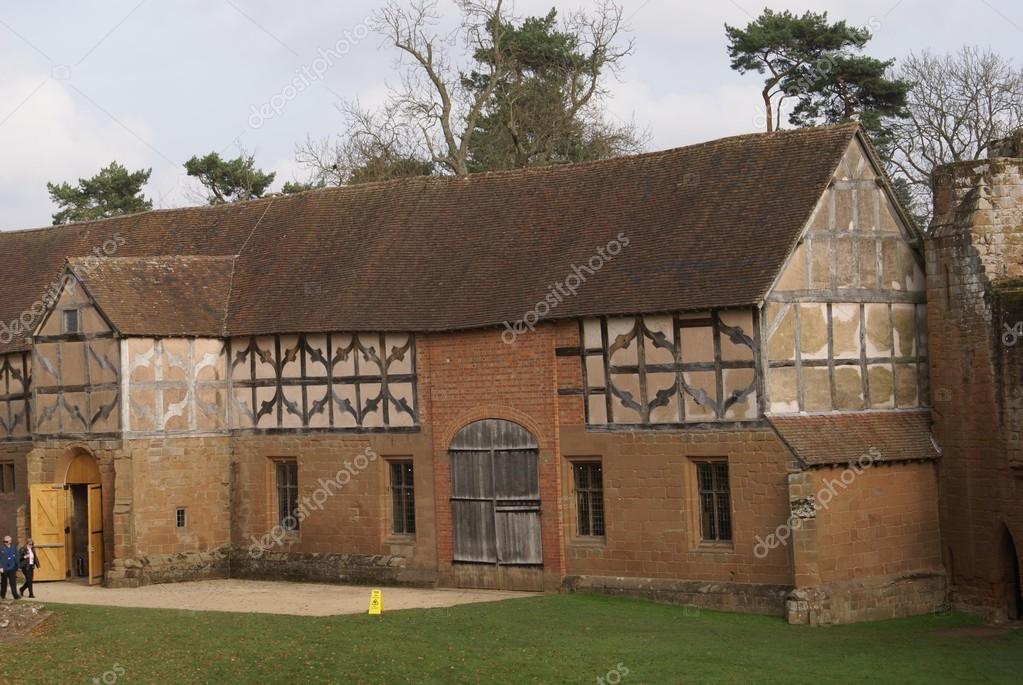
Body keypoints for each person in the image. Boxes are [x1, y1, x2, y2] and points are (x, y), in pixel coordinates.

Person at [0, 535, 19, 600]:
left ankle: (15, 596)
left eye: (6, 541)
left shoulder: (13, 547)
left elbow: (17, 556)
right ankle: (2, 595)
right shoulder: (1, 548)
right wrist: (0, 567)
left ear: (10, 541)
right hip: (4, 569)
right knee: (4, 583)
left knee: (13, 583)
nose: (5, 542)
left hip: (12, 568)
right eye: (4, 541)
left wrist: (17, 565)